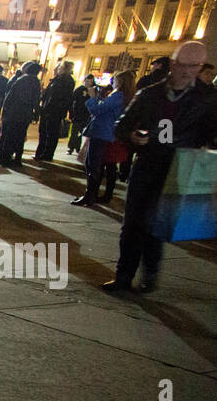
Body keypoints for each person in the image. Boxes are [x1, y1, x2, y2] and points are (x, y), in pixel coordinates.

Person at [105, 42, 217, 294]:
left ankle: (150, 274)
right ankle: (123, 276)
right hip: (147, 164)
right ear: (173, 64)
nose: (188, 71)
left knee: (156, 223)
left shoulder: (208, 99)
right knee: (132, 223)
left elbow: (212, 133)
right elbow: (122, 126)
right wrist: (133, 137)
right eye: (184, 65)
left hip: (179, 168)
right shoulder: (149, 94)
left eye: (195, 66)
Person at [70, 72, 131, 207]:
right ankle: (91, 194)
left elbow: (98, 109)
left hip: (102, 132)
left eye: (114, 79)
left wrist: (92, 98)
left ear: (120, 81)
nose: (112, 82)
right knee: (94, 164)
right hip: (103, 131)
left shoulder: (118, 96)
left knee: (93, 164)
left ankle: (90, 195)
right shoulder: (120, 96)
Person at [0, 60, 41, 168]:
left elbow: (9, 96)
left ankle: (4, 157)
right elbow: (36, 99)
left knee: (9, 135)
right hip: (24, 113)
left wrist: (5, 110)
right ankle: (17, 159)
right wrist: (36, 113)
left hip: (13, 112)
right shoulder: (35, 82)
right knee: (20, 136)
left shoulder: (20, 80)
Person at [34, 61, 75, 161]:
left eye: (58, 68)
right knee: (44, 132)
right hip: (47, 110)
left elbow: (63, 98)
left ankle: (46, 154)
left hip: (54, 111)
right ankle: (40, 152)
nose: (56, 70)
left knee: (51, 133)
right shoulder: (57, 80)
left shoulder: (66, 81)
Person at [67, 72, 96, 155]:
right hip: (77, 114)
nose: (88, 83)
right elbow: (72, 100)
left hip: (86, 115)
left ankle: (78, 147)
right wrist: (71, 113)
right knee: (74, 132)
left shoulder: (93, 90)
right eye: (87, 81)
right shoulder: (79, 89)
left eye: (90, 81)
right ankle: (71, 147)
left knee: (82, 132)